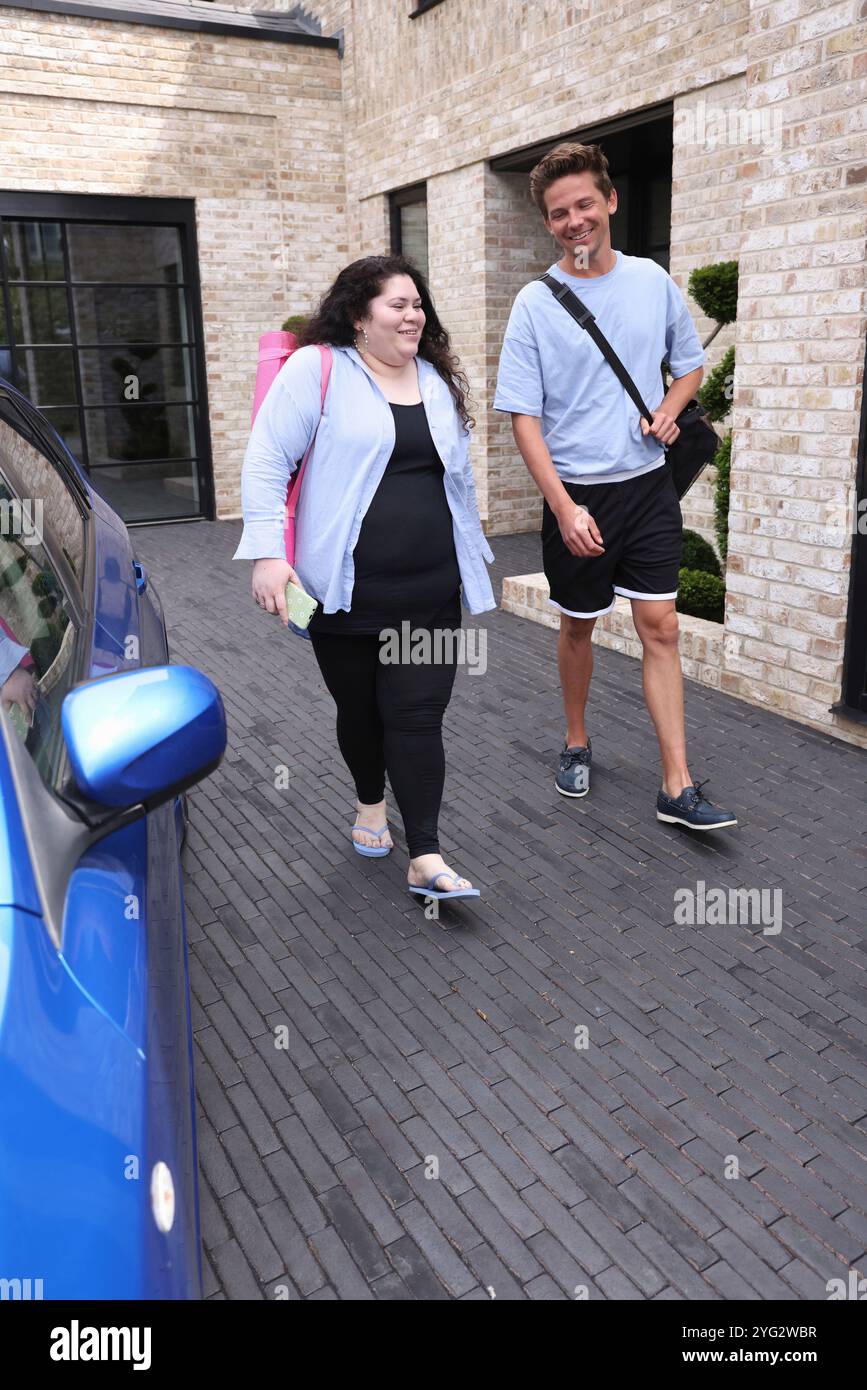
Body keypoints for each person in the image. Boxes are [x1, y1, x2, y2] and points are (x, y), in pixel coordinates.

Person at [234, 255, 496, 899]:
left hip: (432, 590)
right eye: (396, 305)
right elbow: (268, 460)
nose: (413, 315)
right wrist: (268, 553)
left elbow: (453, 482)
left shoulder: (436, 381)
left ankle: (426, 855)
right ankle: (369, 802)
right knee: (361, 711)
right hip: (344, 594)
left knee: (416, 715)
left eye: (417, 304)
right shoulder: (316, 371)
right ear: (359, 317)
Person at [495, 142, 736, 831]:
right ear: (548, 223)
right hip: (578, 496)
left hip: (647, 487)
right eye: (557, 213)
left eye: (582, 205)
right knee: (578, 624)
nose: (573, 221)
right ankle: (575, 740)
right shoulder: (535, 303)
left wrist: (666, 409)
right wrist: (562, 506)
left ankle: (676, 785)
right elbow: (523, 417)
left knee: (659, 627)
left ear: (609, 201)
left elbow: (687, 368)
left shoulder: (649, 281)